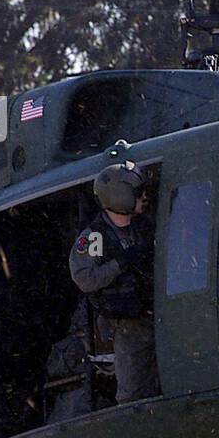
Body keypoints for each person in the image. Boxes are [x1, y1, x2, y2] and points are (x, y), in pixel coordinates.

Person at [69, 162, 161, 404]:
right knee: (132, 391)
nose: (144, 197)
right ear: (121, 197)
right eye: (137, 193)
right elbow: (85, 279)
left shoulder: (143, 224)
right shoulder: (94, 237)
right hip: (128, 323)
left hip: (157, 312)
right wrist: (120, 264)